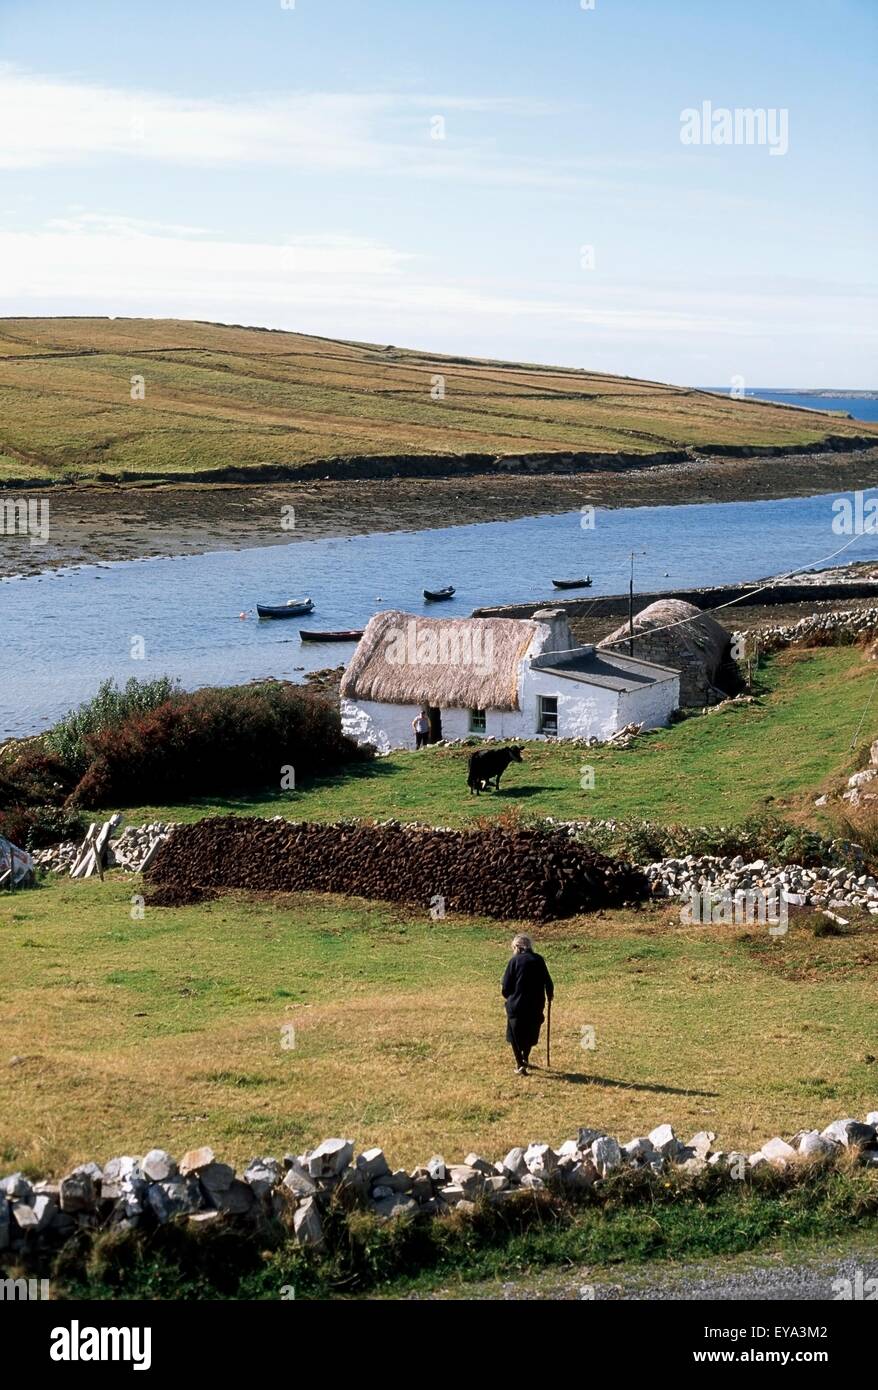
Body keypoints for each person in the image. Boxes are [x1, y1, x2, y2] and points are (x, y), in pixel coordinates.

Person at [501, 934, 553, 1076]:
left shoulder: (514, 961)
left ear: (516, 947)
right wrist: (550, 995)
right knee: (530, 1032)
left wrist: (507, 996)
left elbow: (506, 986)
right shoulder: (539, 959)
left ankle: (520, 1064)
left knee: (514, 1035)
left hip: (516, 1005)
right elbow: (548, 981)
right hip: (535, 1005)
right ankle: (525, 1057)